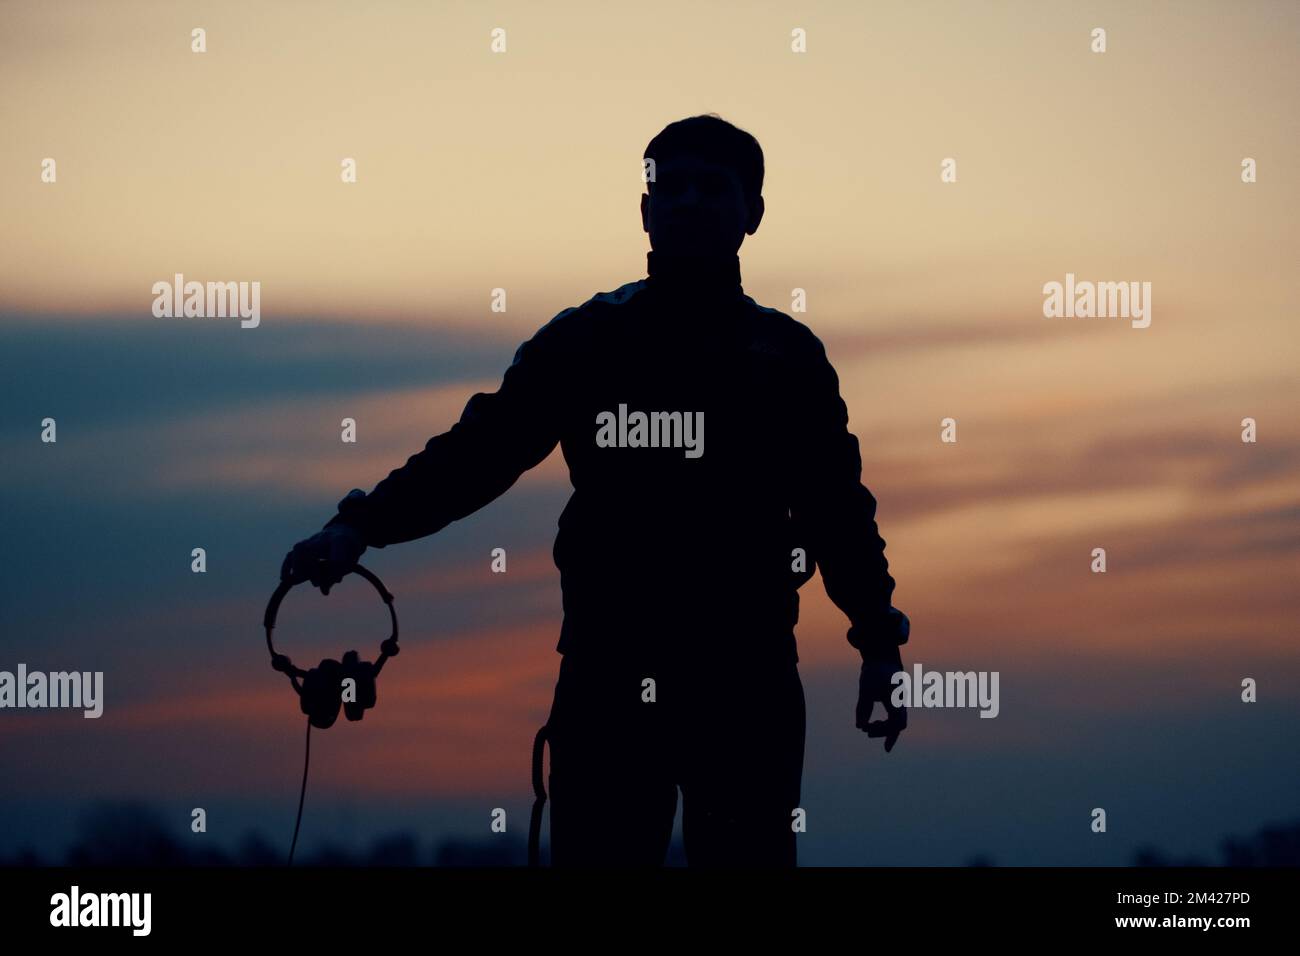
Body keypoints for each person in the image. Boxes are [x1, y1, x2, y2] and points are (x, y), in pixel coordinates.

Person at [280, 113, 910, 867]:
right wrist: (360, 526)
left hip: (746, 682)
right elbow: (480, 451)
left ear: (754, 213)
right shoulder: (587, 341)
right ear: (644, 209)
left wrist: (878, 638)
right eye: (668, 187)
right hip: (609, 679)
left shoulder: (787, 357)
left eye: (712, 186)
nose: (686, 201)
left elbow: (837, 508)